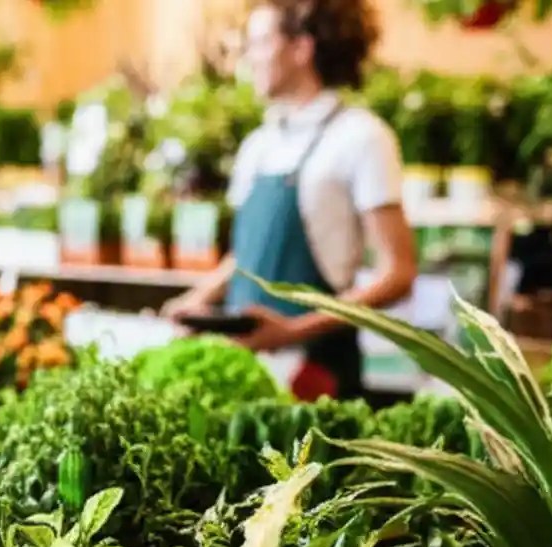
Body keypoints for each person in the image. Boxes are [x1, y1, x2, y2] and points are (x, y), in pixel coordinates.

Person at [162, 0, 417, 399]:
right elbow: (246, 259)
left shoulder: (361, 137)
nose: (249, 57)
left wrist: (292, 331)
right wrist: (197, 300)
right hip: (244, 369)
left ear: (302, 48)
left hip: (317, 374)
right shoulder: (258, 145)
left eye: (260, 42)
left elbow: (397, 273)